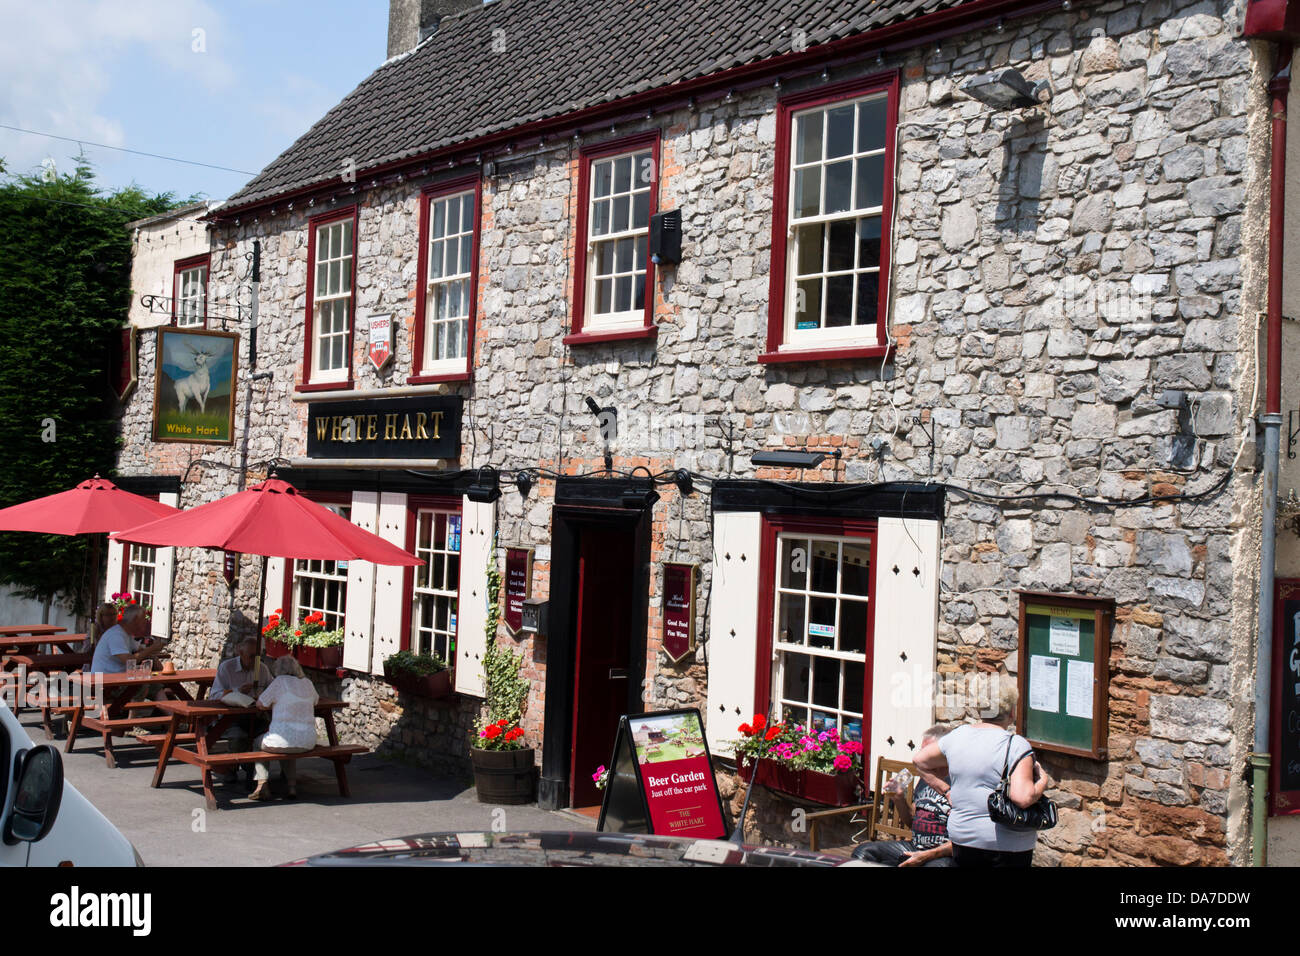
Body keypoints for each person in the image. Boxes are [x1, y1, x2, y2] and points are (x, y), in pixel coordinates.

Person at [913, 677, 1049, 868]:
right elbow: (1023, 798)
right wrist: (1042, 781)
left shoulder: (957, 736)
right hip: (1008, 846)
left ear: (980, 709)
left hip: (963, 839)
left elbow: (919, 760)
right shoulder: (1016, 745)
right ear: (1011, 712)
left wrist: (945, 791)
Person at [851, 725, 954, 867]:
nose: (920, 755)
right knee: (863, 852)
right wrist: (898, 797)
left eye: (926, 751)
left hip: (942, 854)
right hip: (915, 847)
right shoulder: (926, 778)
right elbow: (911, 822)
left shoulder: (959, 782)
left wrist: (927, 855)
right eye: (921, 749)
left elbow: (967, 842)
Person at [249, 656, 319, 801]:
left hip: (282, 741)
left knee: (259, 743)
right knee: (289, 742)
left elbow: (260, 704)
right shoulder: (307, 683)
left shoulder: (279, 682)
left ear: (278, 669)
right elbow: (316, 701)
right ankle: (292, 786)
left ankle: (262, 785)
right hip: (308, 742)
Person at [211, 637, 274, 785]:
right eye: (251, 656)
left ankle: (254, 770)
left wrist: (263, 695)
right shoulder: (227, 668)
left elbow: (273, 688)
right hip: (233, 717)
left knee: (267, 735)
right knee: (238, 737)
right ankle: (233, 768)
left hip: (256, 715)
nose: (255, 661)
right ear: (240, 653)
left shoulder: (262, 669)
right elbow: (214, 695)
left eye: (258, 657)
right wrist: (236, 691)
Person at [89, 605, 170, 674]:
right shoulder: (116, 635)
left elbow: (140, 650)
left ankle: (167, 686)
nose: (145, 622)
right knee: (150, 684)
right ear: (135, 619)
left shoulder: (126, 634)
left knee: (153, 683)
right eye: (143, 619)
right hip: (104, 684)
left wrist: (153, 649)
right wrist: (151, 649)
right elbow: (129, 661)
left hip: (115, 680)